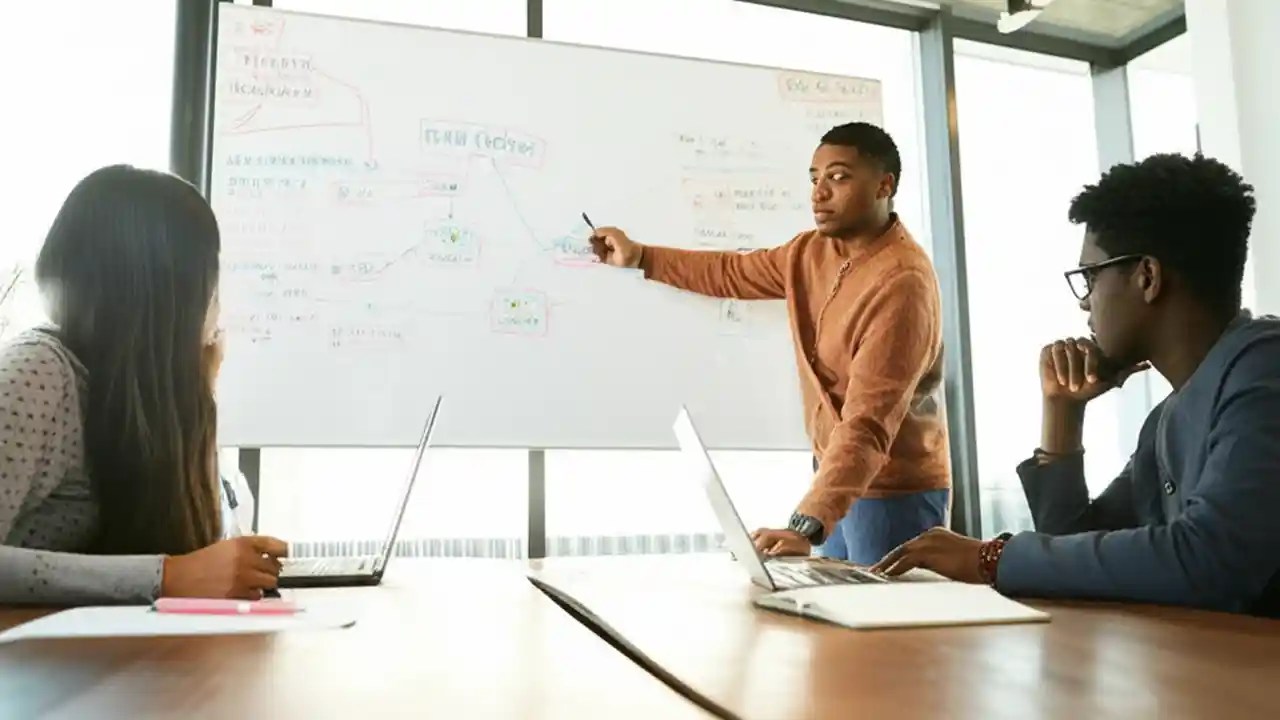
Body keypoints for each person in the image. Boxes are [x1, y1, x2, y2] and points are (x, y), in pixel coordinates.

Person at [874, 153, 1280, 617]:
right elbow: (1070, 551)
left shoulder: (1265, 370)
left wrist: (991, 558)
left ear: (1147, 277)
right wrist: (1063, 414)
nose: (1084, 303)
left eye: (1090, 276)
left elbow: (1211, 560)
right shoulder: (1167, 421)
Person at [590, 122, 950, 565]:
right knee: (838, 626)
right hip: (835, 480)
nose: (819, 193)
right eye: (814, 178)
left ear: (884, 185)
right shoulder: (810, 252)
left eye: (838, 177)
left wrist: (806, 523)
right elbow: (730, 273)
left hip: (894, 493)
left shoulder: (902, 282)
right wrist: (641, 256)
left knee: (893, 633)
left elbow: (868, 422)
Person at [0, 165, 288, 605]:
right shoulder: (40, 371)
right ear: (166, 291)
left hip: (97, 659)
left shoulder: (148, 388)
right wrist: (164, 577)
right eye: (209, 278)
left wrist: (201, 399)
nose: (215, 302)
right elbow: (181, 574)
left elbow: (197, 552)